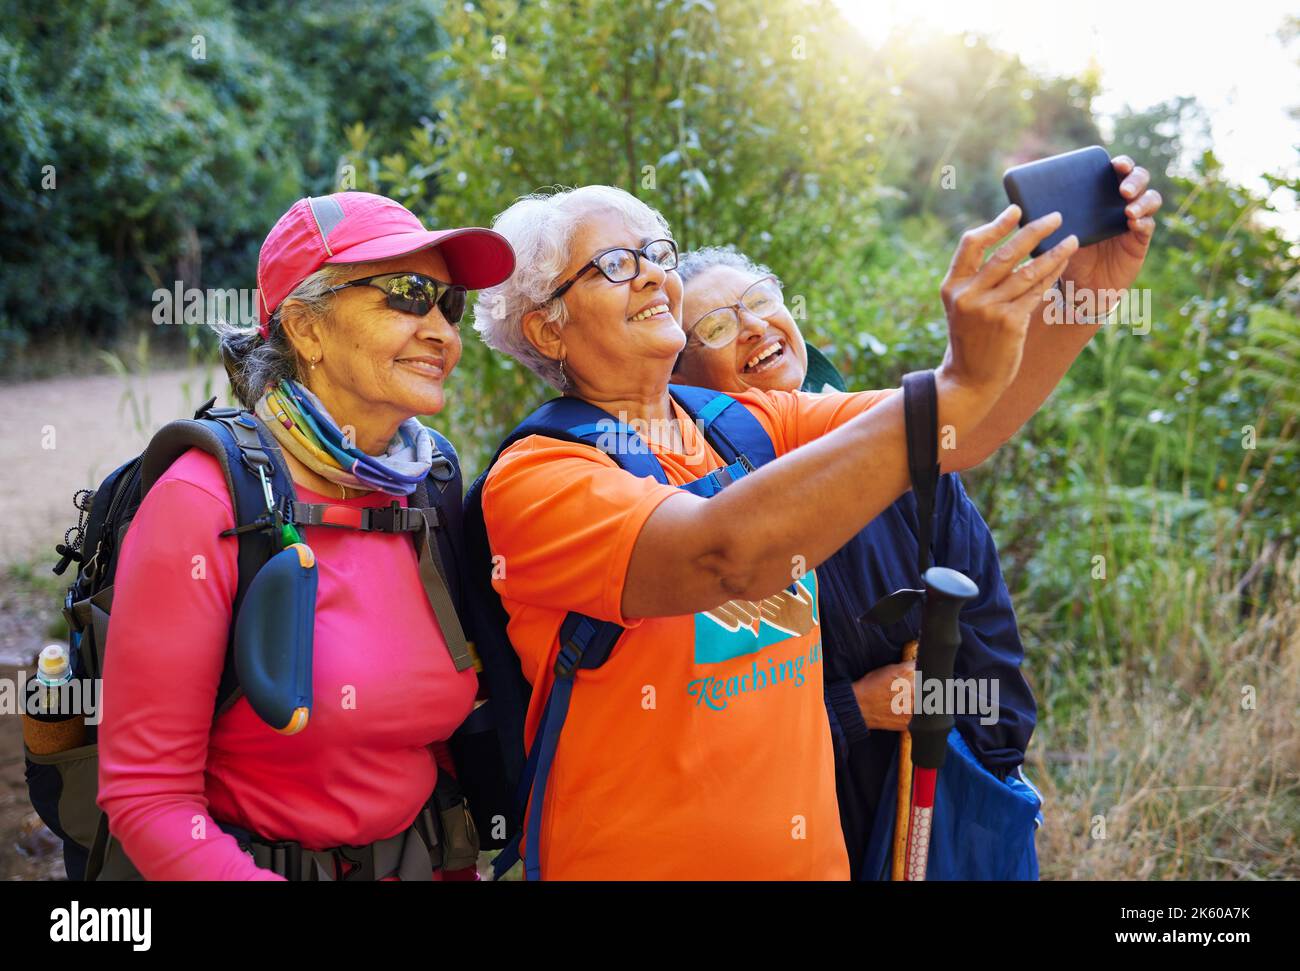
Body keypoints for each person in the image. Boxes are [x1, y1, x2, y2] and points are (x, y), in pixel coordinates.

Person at [470, 169, 1158, 879]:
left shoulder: (742, 423)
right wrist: (956, 383)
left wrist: (1085, 296)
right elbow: (725, 556)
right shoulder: (535, 480)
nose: (650, 275)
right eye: (614, 265)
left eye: (658, 253)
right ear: (545, 327)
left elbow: (956, 435)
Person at [95, 191, 515, 880]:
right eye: (408, 295)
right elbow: (148, 796)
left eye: (449, 303)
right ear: (306, 329)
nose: (442, 330)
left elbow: (429, 747)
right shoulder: (204, 501)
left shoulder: (426, 484)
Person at [671, 247, 1039, 877]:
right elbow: (708, 734)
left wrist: (971, 781)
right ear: (681, 381)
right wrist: (852, 711)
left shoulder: (906, 464)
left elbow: (995, 666)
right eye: (718, 327)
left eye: (759, 300)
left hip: (935, 824)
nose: (754, 326)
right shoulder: (696, 522)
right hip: (794, 843)